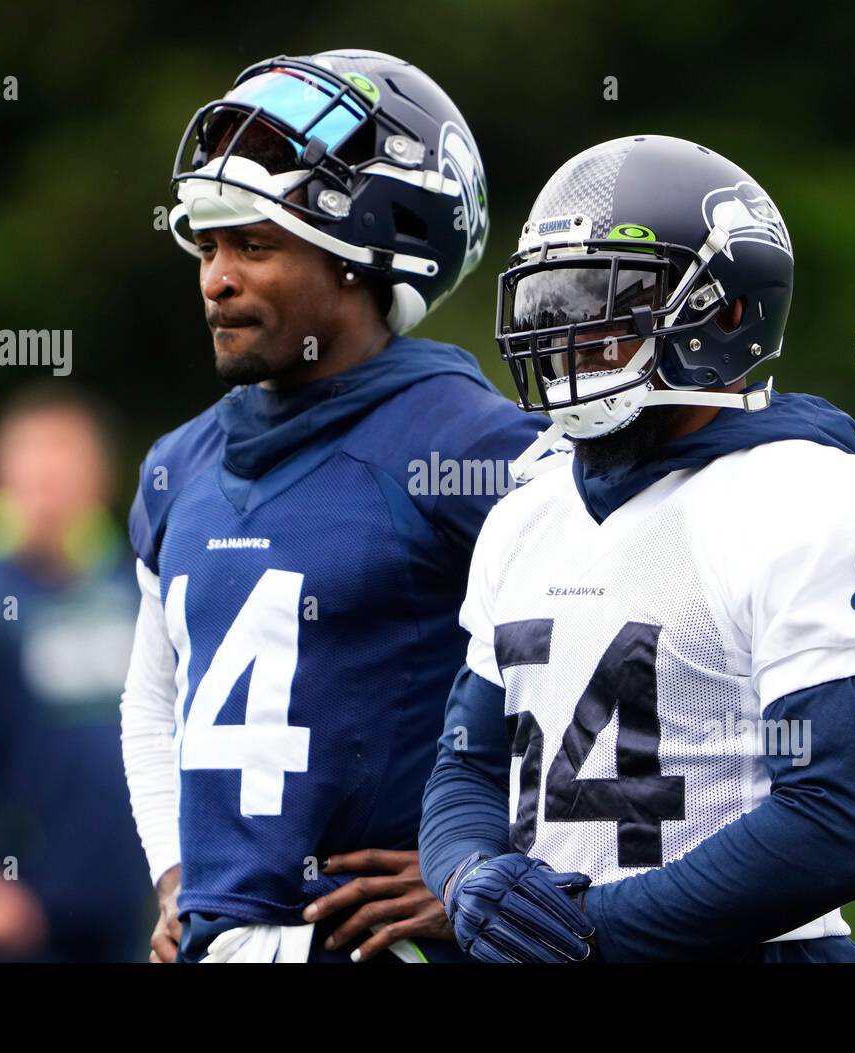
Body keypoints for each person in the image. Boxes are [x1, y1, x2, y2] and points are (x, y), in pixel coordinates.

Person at [418, 135, 855, 962]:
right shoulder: (529, 506)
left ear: (727, 311)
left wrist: (588, 930)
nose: (567, 333)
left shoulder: (813, 496)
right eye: (553, 300)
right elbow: (468, 766)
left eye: (605, 298)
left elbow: (840, 820)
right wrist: (471, 880)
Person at [119, 49, 542, 963]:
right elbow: (155, 699)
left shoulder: (474, 449)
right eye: (208, 243)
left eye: (254, 244)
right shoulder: (179, 464)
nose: (215, 278)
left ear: (365, 254)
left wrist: (477, 866)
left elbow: (594, 680)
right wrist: (174, 869)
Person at [0, 385, 149, 962]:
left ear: (100, 479)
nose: (48, 489)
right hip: (21, 912)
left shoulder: (131, 586)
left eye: (65, 467)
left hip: (127, 902)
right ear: (1, 477)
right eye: (33, 468)